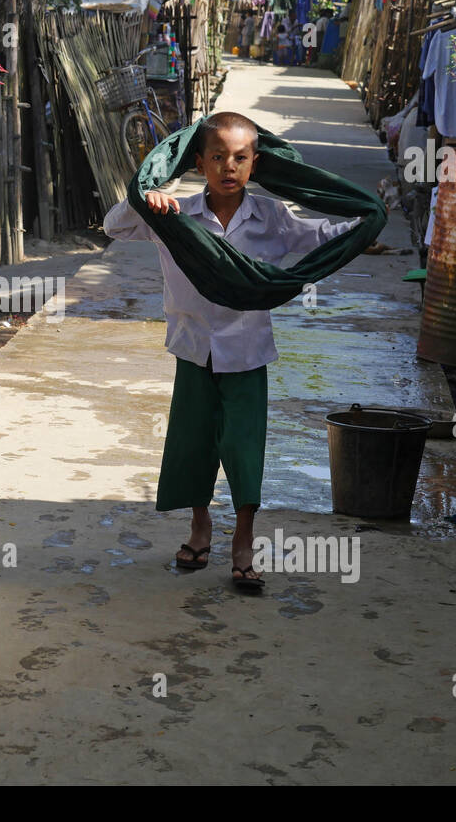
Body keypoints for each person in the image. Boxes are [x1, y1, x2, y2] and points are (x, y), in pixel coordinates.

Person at [102, 111, 356, 588]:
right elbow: (113, 225)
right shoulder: (172, 216)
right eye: (216, 157)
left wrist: (366, 226)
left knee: (243, 448)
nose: (228, 167)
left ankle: (244, 538)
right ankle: (200, 526)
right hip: (194, 348)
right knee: (194, 443)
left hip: (248, 353)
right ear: (197, 162)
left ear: (255, 164)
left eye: (240, 157)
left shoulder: (272, 219)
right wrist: (147, 196)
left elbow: (319, 235)